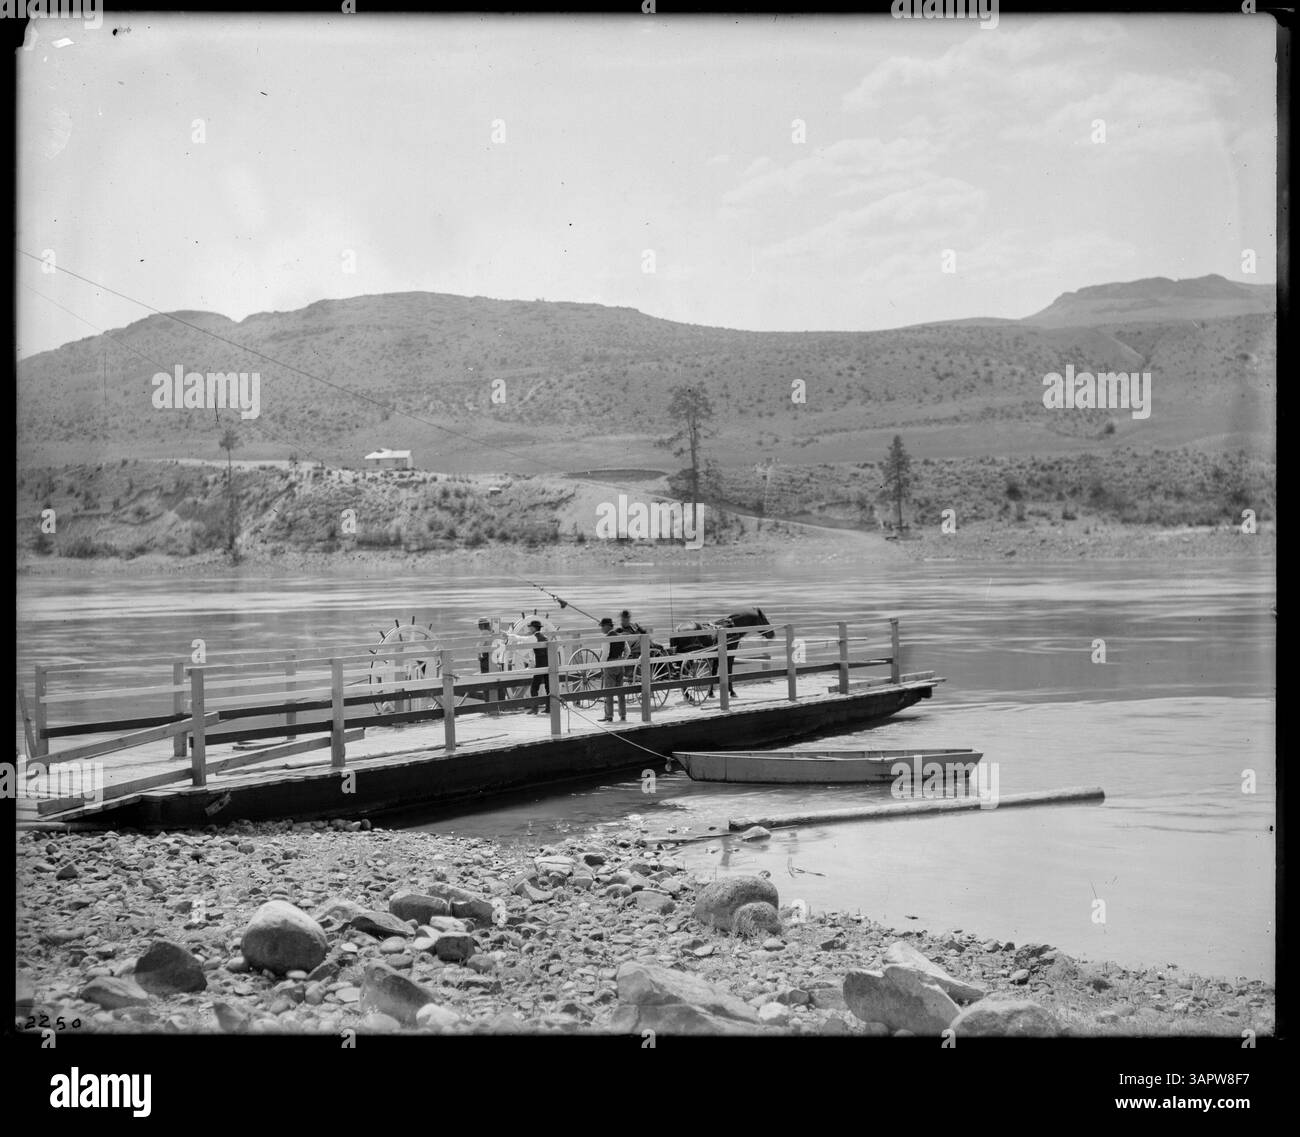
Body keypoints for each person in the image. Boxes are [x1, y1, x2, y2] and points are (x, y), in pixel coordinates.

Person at [599, 617, 628, 722]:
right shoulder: (620, 637)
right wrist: (622, 660)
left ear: (607, 626)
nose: (601, 628)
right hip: (620, 664)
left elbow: (605, 654)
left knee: (609, 692)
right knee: (621, 691)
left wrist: (602, 665)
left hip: (610, 665)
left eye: (602, 626)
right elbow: (627, 651)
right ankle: (623, 715)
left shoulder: (607, 638)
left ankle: (609, 716)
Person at [523, 619, 549, 714]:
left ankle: (535, 708)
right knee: (548, 686)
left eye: (530, 627)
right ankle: (549, 708)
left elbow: (523, 641)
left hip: (540, 664)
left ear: (534, 628)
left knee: (534, 687)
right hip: (549, 663)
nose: (529, 629)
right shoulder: (545, 637)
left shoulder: (534, 637)